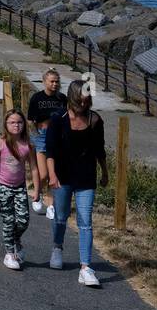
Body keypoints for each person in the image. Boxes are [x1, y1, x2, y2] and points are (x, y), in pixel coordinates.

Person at [44, 79, 109, 286]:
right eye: (80, 99)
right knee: (61, 217)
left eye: (87, 99)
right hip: (62, 176)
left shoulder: (95, 120)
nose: (84, 102)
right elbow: (50, 151)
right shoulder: (58, 119)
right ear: (72, 97)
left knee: (85, 222)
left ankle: (86, 267)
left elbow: (100, 150)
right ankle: (57, 247)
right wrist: (52, 175)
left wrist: (105, 172)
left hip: (86, 177)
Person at [0, 110, 33, 270]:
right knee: (8, 221)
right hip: (3, 186)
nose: (16, 125)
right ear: (6, 125)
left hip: (19, 187)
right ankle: (9, 253)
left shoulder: (27, 145)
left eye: (19, 122)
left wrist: (37, 189)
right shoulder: (0, 144)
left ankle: (15, 240)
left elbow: (34, 168)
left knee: (23, 220)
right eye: (12, 122)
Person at [26, 69, 67, 218]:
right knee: (43, 174)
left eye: (57, 81)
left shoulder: (62, 98)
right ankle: (37, 194)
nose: (55, 84)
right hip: (42, 136)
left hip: (58, 137)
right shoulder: (37, 98)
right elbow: (30, 120)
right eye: (52, 81)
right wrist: (35, 136)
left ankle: (50, 204)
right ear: (45, 82)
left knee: (53, 174)